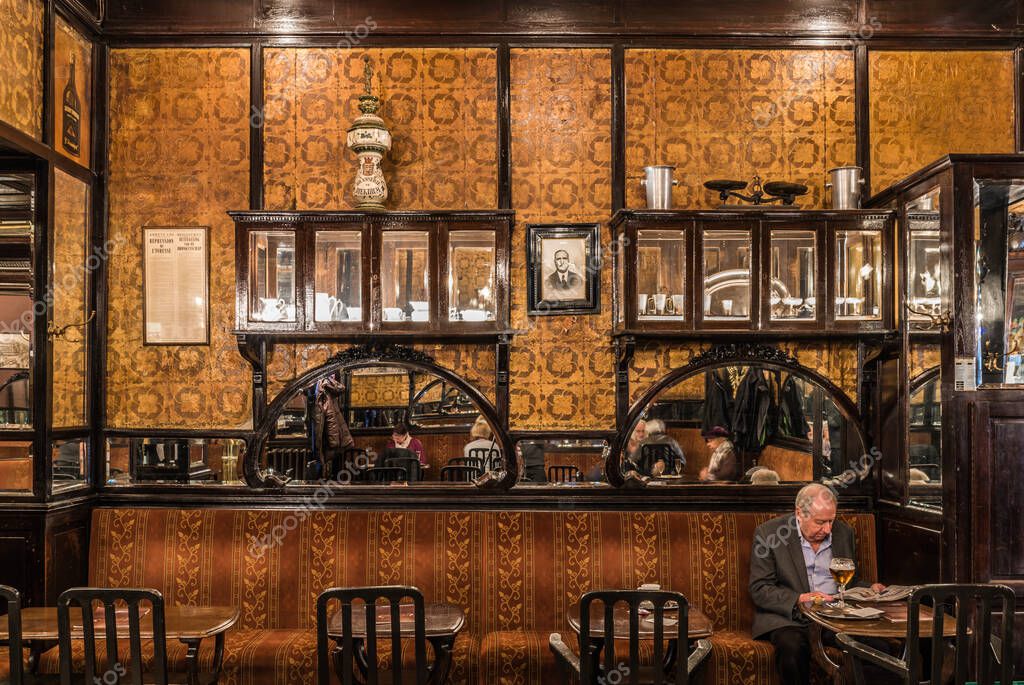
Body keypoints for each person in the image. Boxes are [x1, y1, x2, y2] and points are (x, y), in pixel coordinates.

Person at [749, 484, 888, 685]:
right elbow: (759, 588)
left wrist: (870, 588)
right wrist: (800, 598)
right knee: (792, 648)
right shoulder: (769, 534)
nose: (828, 529)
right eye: (820, 522)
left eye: (831, 520)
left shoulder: (843, 532)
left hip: (834, 617)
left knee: (878, 648)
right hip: (791, 618)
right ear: (799, 513)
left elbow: (849, 580)